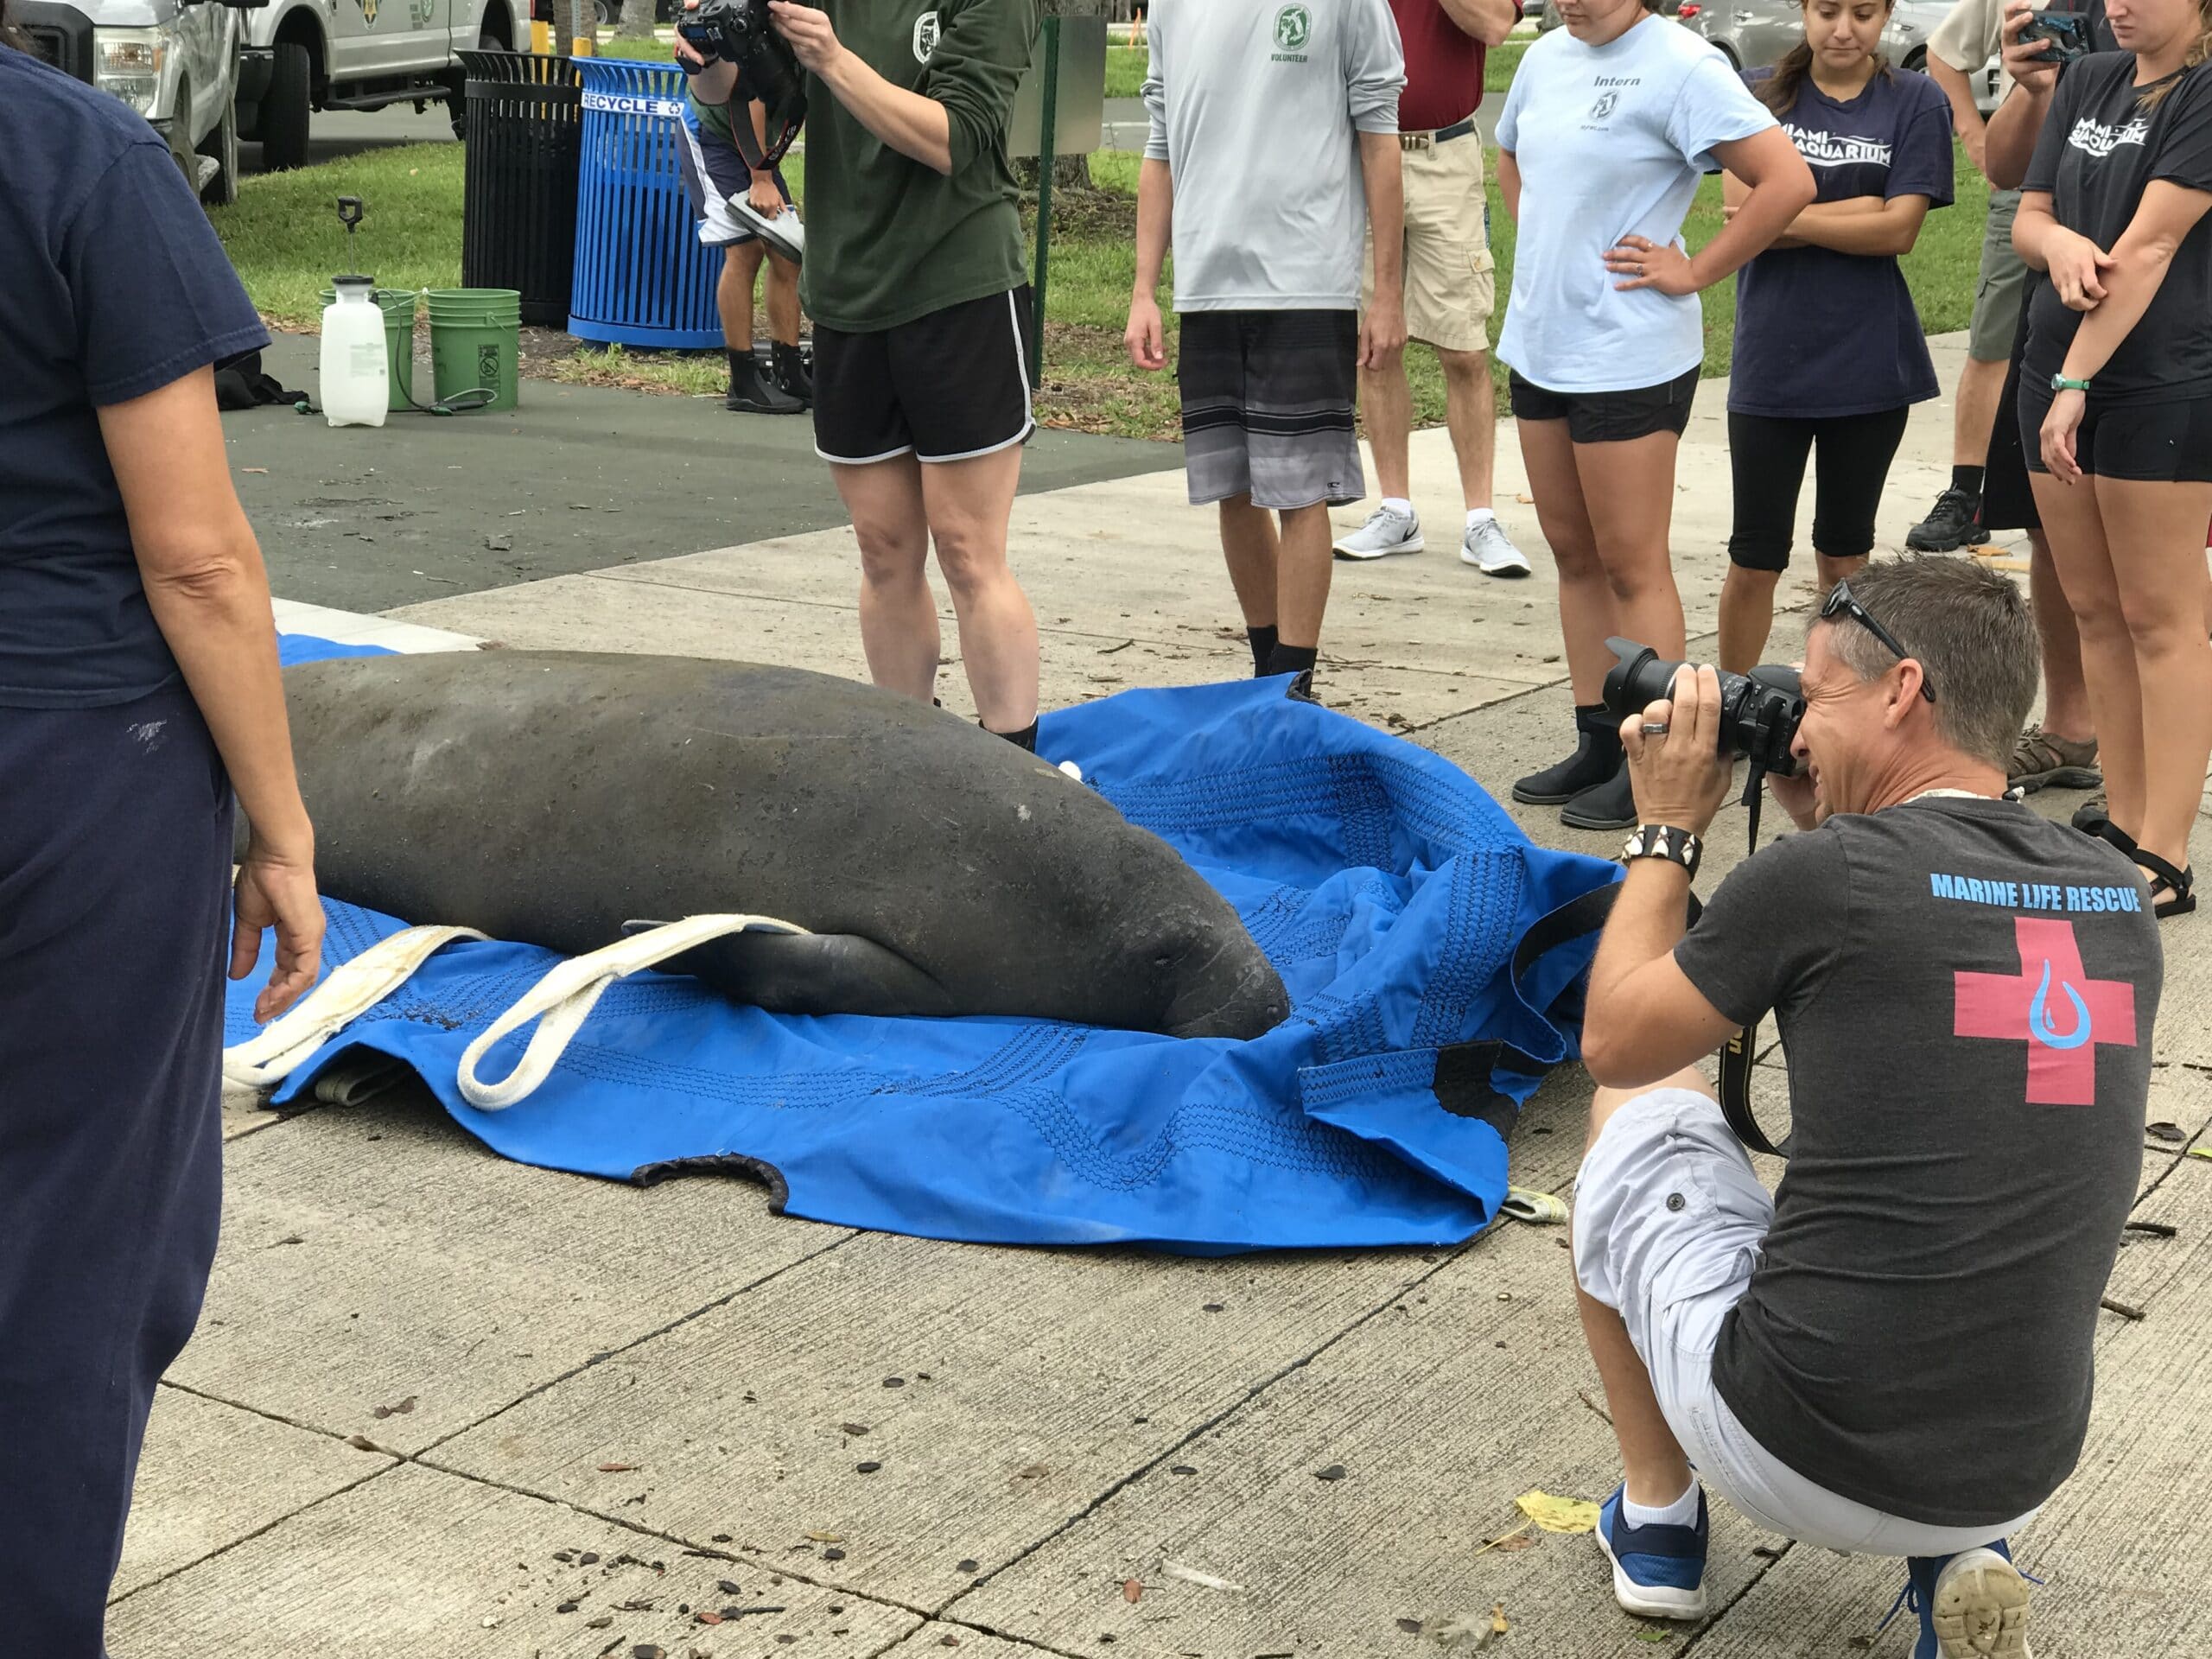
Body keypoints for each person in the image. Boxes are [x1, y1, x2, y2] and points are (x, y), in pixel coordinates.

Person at [1574, 556, 2158, 1657]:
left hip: (1796, 1448)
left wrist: (1662, 828)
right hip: (2019, 1463)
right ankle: (1959, 1558)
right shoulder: (2115, 898)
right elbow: (1913, 954)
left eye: (1817, 694)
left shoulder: (1828, 881)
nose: (1797, 725)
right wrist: (1824, 814)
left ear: (1900, 691)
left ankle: (1656, 1525)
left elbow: (1614, 1036)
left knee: (1638, 1103)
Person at [0, 22, 325, 1652]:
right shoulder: (78, 159)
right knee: (73, 1252)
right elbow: (198, 558)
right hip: (66, 765)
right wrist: (281, 827)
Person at [687, 0, 1045, 748]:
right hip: (848, 294)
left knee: (967, 550)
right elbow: (746, 108)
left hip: (959, 285)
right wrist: (717, 55)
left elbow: (957, 139)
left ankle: (1017, 778)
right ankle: (909, 757)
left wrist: (831, 56)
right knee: (883, 550)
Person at [1495, 0, 1814, 830]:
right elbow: (1511, 160)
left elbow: (1787, 181)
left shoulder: (1681, 65)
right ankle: (1599, 738)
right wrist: (1545, 242)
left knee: (1632, 563)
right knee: (1572, 555)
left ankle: (1660, 754)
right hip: (1541, 341)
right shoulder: (1543, 59)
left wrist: (1696, 269)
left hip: (1628, 355)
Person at [1124, 0, 1408, 699]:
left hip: (1305, 281)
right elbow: (1159, 146)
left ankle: (1294, 683)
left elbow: (1379, 138)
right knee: (1234, 490)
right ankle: (1265, 673)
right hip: (1207, 284)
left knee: (1301, 491)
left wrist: (1387, 293)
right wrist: (1143, 288)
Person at [2012, 0, 2212, 918]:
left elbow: (2152, 245)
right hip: (2050, 374)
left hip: (2154, 387)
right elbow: (2031, 212)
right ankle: (2124, 827)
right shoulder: (2088, 75)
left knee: (2160, 621)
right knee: (2094, 611)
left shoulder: (2203, 93)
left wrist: (2075, 384)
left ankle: (2166, 853)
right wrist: (2052, 241)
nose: (2118, 5)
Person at [1714, 0, 1955, 674]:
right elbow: (1740, 213)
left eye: (1862, 12)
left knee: (1845, 553)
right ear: (1803, 12)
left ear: (1886, 17)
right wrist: (1860, 208)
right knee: (1753, 554)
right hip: (1771, 365)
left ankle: (1837, 705)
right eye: (1827, 10)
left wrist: (1787, 207)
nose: (1843, 29)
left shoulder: (1917, 99)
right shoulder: (1758, 93)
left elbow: (1899, 230)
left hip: (1870, 365)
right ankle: (1729, 708)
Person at [1329, 0, 1532, 580]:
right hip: (1364, 151)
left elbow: (1495, 24)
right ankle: (1396, 510)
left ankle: (1481, 519)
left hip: (1445, 154)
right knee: (1374, 345)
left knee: (1464, 349)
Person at [1906, 0, 2055, 550]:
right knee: (1995, 339)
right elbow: (1945, 55)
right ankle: (1967, 494)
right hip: (2028, 176)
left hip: (2122, 176)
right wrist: (1976, 138)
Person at [677, 67, 812, 416]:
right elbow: (748, 96)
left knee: (787, 253)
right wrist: (761, 176)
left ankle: (789, 369)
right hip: (714, 134)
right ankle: (743, 379)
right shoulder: (776, 25)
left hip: (761, 144)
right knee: (746, 249)